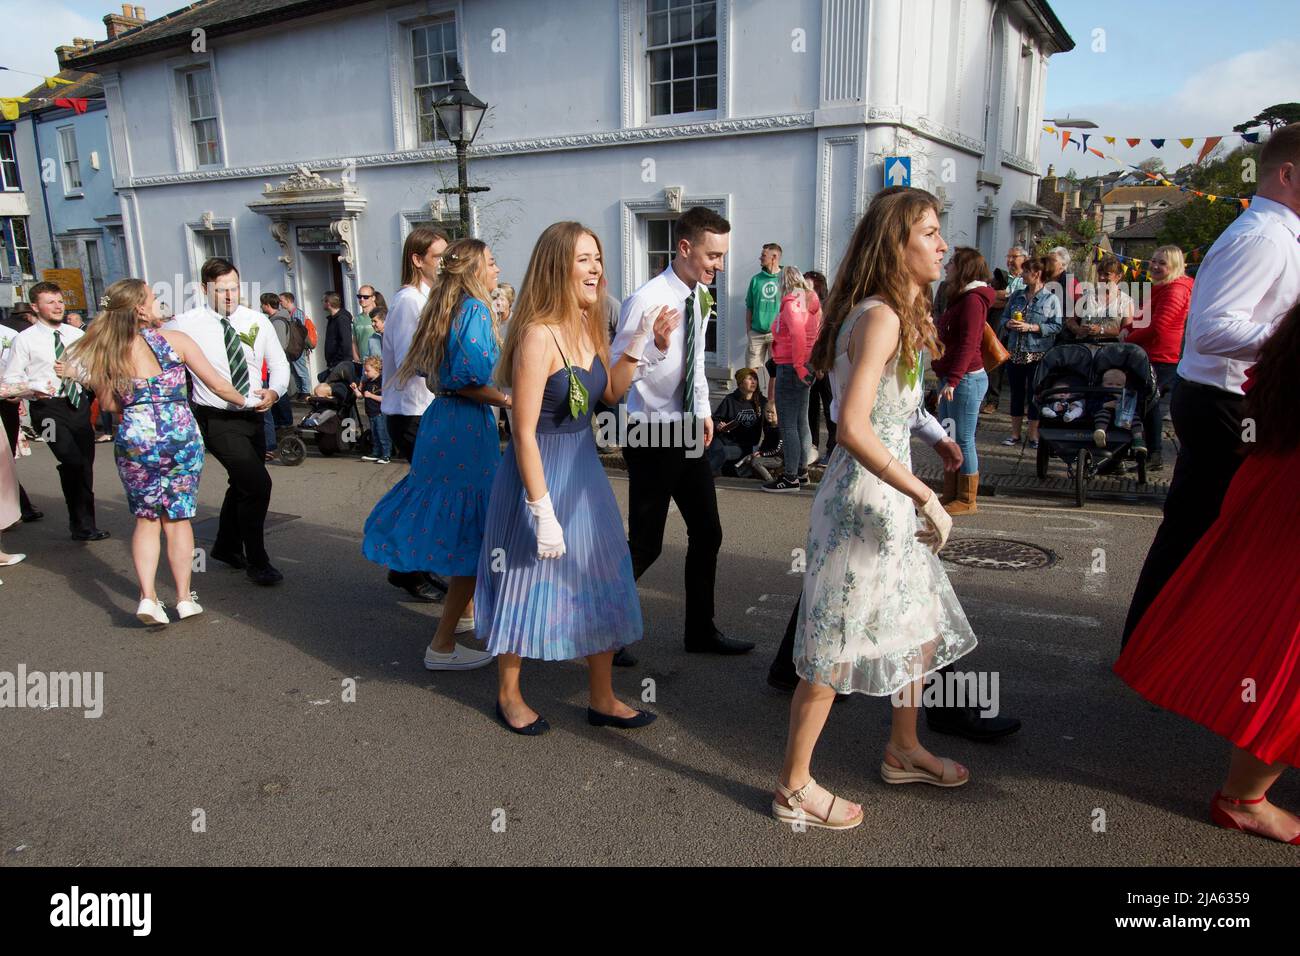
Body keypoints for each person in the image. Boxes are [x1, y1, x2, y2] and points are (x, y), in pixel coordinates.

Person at [774, 186, 977, 830]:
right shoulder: (883, 315)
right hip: (865, 499)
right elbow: (855, 426)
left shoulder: (887, 311)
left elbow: (892, 408)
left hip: (882, 495)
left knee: (914, 626)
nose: (943, 244)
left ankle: (904, 747)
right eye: (930, 232)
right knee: (833, 646)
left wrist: (935, 437)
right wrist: (923, 493)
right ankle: (793, 788)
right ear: (898, 244)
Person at [1114, 298, 1300, 845]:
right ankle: (1244, 798)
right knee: (1285, 648)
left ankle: (1246, 791)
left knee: (1268, 630)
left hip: (1276, 474)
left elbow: (1259, 385)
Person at [1122, 124, 1300, 644]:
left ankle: (1160, 639)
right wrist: (1289, 339)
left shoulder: (1275, 233)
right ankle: (1159, 642)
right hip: (1226, 402)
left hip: (1224, 398)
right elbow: (1213, 328)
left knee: (1200, 525)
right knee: (1210, 526)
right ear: (1288, 174)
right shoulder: (1263, 237)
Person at [479, 221, 656, 734]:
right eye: (584, 258)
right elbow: (524, 433)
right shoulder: (537, 335)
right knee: (523, 578)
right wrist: (542, 513)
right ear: (558, 265)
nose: (596, 267)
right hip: (537, 474)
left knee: (600, 574)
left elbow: (610, 393)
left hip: (584, 471)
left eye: (598, 257)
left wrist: (641, 341)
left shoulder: (590, 323)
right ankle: (509, 695)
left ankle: (602, 697)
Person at [67, 279, 264, 623]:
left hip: (136, 436)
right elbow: (217, 385)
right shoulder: (176, 341)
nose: (159, 301)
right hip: (179, 435)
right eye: (154, 297)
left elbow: (112, 405)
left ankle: (147, 598)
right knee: (178, 519)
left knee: (146, 519)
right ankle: (184, 599)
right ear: (140, 308)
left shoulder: (107, 350)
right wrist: (248, 401)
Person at [611, 205, 755, 665]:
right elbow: (618, 379)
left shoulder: (696, 296)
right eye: (712, 255)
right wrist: (651, 348)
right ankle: (601, 628)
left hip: (687, 428)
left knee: (708, 531)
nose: (719, 264)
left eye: (723, 255)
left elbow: (691, 363)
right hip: (650, 434)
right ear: (686, 247)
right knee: (647, 544)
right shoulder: (648, 300)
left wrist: (704, 410)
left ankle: (700, 631)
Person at [363, 238, 506, 670]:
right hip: (465, 423)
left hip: (443, 421)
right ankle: (442, 645)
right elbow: (467, 380)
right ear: (475, 271)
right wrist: (510, 399)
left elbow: (436, 376)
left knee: (464, 522)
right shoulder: (474, 311)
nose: (498, 269)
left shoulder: (444, 308)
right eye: (492, 262)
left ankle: (463, 614)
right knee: (472, 530)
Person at [165, 257, 288, 585]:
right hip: (215, 418)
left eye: (234, 288)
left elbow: (279, 364)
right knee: (258, 484)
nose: (230, 295)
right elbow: (150, 352)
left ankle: (225, 544)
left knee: (242, 482)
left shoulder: (257, 321)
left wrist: (274, 392)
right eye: (222, 290)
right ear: (205, 289)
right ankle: (257, 560)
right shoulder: (184, 323)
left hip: (254, 415)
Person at [1, 282, 108, 541]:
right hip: (47, 409)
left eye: (60, 301)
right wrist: (33, 387)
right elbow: (10, 382)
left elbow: (94, 373)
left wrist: (75, 373)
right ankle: (80, 522)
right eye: (50, 302)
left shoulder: (77, 336)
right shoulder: (24, 340)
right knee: (71, 460)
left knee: (84, 465)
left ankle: (85, 525)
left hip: (78, 404)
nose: (58, 306)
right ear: (35, 307)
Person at [380, 226, 449, 603]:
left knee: (428, 494)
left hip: (426, 410)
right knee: (428, 495)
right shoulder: (409, 301)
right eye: (439, 257)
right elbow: (417, 359)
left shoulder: (431, 298)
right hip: (411, 411)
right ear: (417, 260)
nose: (445, 263)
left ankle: (411, 565)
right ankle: (406, 567)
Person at [932, 246, 993, 515]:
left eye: (952, 263)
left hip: (966, 379)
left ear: (964, 269)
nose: (947, 266)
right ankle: (952, 491)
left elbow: (969, 344)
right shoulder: (962, 297)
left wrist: (953, 380)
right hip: (953, 377)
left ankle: (967, 499)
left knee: (963, 438)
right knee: (949, 434)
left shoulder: (972, 300)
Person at [1122, 244, 1192, 470]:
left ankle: (1154, 455)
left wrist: (1129, 338)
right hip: (1147, 353)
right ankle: (1140, 450)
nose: (1155, 266)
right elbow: (1143, 316)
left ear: (1174, 266)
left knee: (1151, 407)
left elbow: (1159, 327)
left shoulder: (1176, 290)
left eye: (1162, 263)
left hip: (1163, 356)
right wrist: (1129, 327)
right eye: (1153, 261)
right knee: (1140, 405)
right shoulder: (1159, 287)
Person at [763, 266, 821, 492]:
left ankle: (790, 477)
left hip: (791, 365)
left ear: (783, 283)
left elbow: (795, 332)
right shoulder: (811, 302)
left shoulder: (791, 302)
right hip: (807, 364)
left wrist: (797, 365)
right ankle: (801, 472)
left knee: (788, 424)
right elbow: (815, 333)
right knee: (801, 421)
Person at [1000, 256, 1062, 449]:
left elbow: (1057, 326)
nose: (1022, 274)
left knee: (1035, 394)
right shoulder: (1017, 295)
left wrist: (1033, 327)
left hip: (1037, 354)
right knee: (1016, 393)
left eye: (1026, 271)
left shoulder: (1051, 298)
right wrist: (1008, 323)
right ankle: (1015, 433)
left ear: (1037, 274)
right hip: (1015, 352)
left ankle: (1033, 434)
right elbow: (1003, 318)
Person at [0, 314, 40, 522]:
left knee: (6, 455)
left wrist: (19, 391)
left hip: (6, 402)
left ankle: (17, 506)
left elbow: (20, 369)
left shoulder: (9, 335)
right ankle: (19, 506)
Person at [984, 247, 1027, 414]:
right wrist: (1004, 297)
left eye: (1014, 257)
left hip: (1020, 326)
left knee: (1019, 365)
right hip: (1000, 324)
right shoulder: (999, 277)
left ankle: (1020, 404)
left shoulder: (1027, 278)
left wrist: (1005, 297)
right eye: (1008, 256)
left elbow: (1023, 301)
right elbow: (989, 299)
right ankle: (992, 401)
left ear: (1024, 258)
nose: (1010, 260)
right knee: (996, 361)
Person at [706, 367, 767, 477]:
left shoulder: (762, 402)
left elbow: (770, 424)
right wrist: (719, 425)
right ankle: (704, 476)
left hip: (744, 446)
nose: (753, 382)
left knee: (721, 453)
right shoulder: (730, 400)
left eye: (755, 379)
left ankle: (702, 476)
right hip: (724, 438)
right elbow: (716, 419)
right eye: (749, 379)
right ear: (740, 383)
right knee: (711, 451)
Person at [803, 271, 836, 458]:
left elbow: (827, 339)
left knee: (830, 406)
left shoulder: (827, 309)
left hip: (824, 365)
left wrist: (821, 364)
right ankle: (812, 445)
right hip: (808, 365)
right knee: (811, 408)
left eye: (807, 285)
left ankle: (832, 447)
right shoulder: (804, 307)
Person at [259, 292, 295, 458]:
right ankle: (282, 424)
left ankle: (285, 425)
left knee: (280, 392)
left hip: (276, 365)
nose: (261, 307)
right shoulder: (274, 320)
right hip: (272, 366)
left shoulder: (278, 321)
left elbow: (278, 346)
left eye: (262, 304)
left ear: (267, 304)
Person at [745, 243, 782, 389]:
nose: (760, 258)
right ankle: (752, 405)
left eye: (763, 255)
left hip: (777, 335)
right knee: (750, 373)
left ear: (774, 257)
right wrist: (748, 330)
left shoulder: (785, 279)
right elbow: (749, 307)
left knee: (776, 372)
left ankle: (772, 406)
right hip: (756, 333)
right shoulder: (756, 280)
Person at [1069, 256, 1132, 343]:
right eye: (1100, 273)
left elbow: (1126, 331)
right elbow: (1070, 320)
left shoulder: (1125, 301)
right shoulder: (1087, 295)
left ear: (1119, 276)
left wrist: (1101, 330)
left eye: (1107, 274)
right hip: (1084, 349)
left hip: (1110, 351)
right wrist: (1078, 329)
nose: (1101, 277)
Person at [353, 356, 390, 463]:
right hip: (371, 413)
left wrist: (371, 396)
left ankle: (386, 454)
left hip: (380, 412)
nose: (365, 373)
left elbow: (385, 398)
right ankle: (376, 452)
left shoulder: (381, 381)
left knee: (382, 434)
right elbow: (361, 396)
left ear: (376, 369)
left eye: (368, 370)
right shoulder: (367, 382)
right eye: (365, 370)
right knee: (374, 434)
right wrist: (355, 389)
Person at [279, 292, 312, 397]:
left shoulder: (296, 313)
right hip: (293, 347)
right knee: (295, 370)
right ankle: (300, 390)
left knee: (301, 369)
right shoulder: (290, 313)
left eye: (281, 300)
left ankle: (306, 391)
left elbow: (299, 331)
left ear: (288, 301)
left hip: (297, 347)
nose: (280, 303)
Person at [352, 285, 385, 364]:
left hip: (378, 363)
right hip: (363, 363)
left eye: (365, 297)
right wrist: (356, 359)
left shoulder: (380, 316)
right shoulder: (356, 319)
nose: (362, 299)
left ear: (373, 298)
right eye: (359, 296)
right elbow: (354, 341)